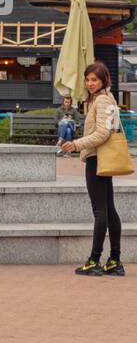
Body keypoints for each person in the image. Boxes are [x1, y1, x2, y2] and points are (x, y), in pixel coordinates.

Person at [60, 60, 125, 276]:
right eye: (87, 79)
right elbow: (111, 129)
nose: (90, 83)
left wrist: (77, 144)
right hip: (103, 158)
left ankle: (93, 260)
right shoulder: (108, 99)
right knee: (109, 209)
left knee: (100, 211)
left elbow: (103, 134)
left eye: (94, 79)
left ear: (103, 80)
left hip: (97, 158)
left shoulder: (102, 101)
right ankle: (114, 260)